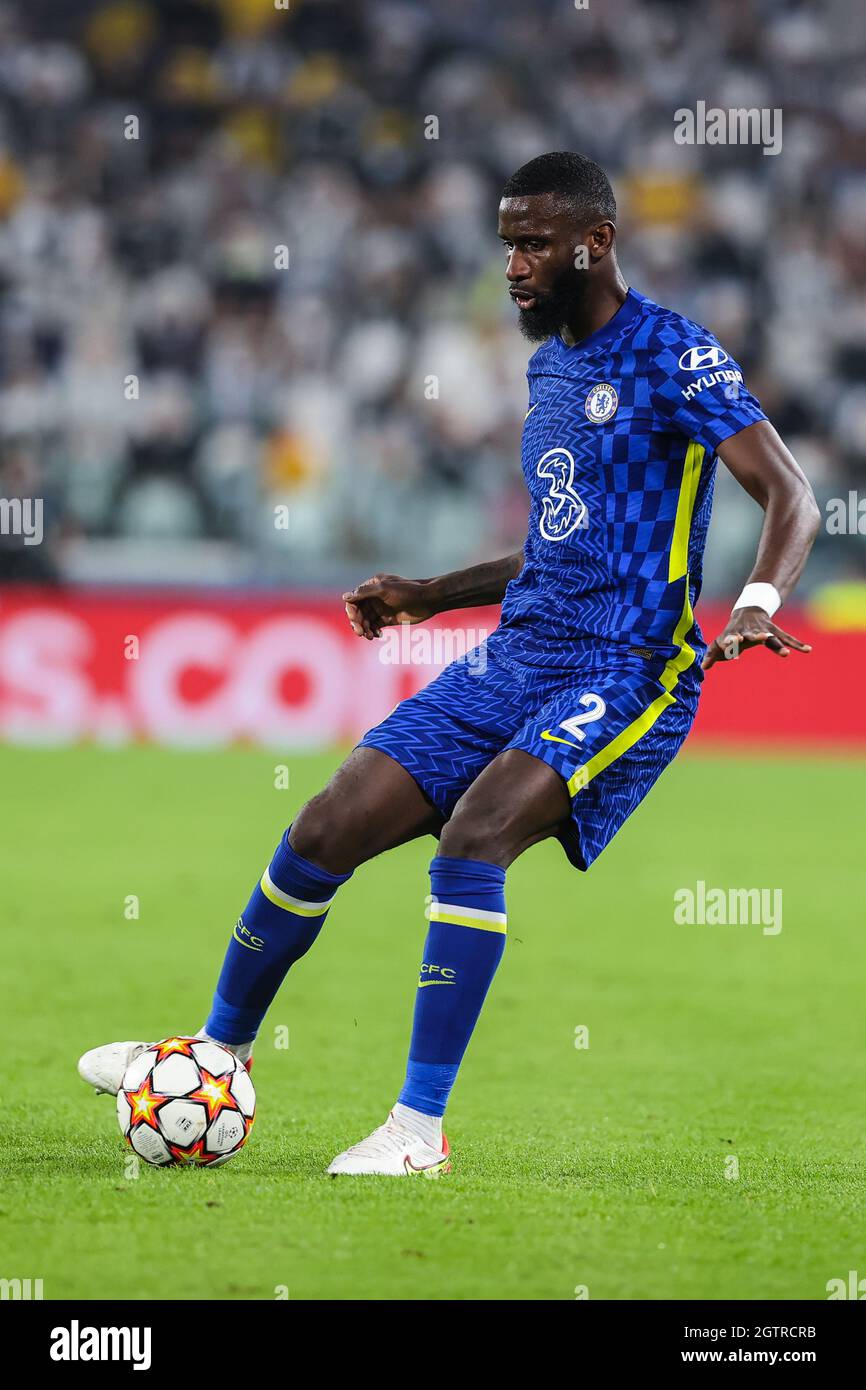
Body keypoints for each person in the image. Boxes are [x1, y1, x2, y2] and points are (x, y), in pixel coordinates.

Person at [78, 152, 820, 1176]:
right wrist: (430, 592)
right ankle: (213, 1054)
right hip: (521, 650)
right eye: (506, 244)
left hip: (629, 665)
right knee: (326, 822)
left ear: (595, 242)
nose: (512, 266)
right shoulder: (550, 365)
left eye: (533, 244)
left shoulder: (673, 354)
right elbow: (563, 544)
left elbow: (790, 494)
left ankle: (416, 1130)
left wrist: (754, 604)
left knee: (475, 836)